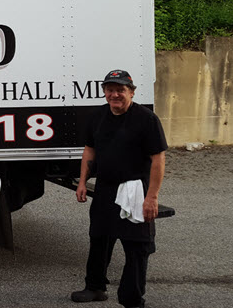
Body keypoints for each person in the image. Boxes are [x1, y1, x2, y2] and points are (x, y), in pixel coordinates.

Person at [71, 70, 167, 308]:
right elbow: (89, 150)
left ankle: (132, 299)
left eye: (120, 90)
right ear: (104, 92)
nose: (115, 94)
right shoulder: (98, 117)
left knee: (136, 245)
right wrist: (83, 181)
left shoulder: (146, 119)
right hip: (105, 187)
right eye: (110, 89)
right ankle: (95, 287)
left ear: (131, 92)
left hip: (134, 189)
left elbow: (158, 159)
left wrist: (151, 197)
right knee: (99, 237)